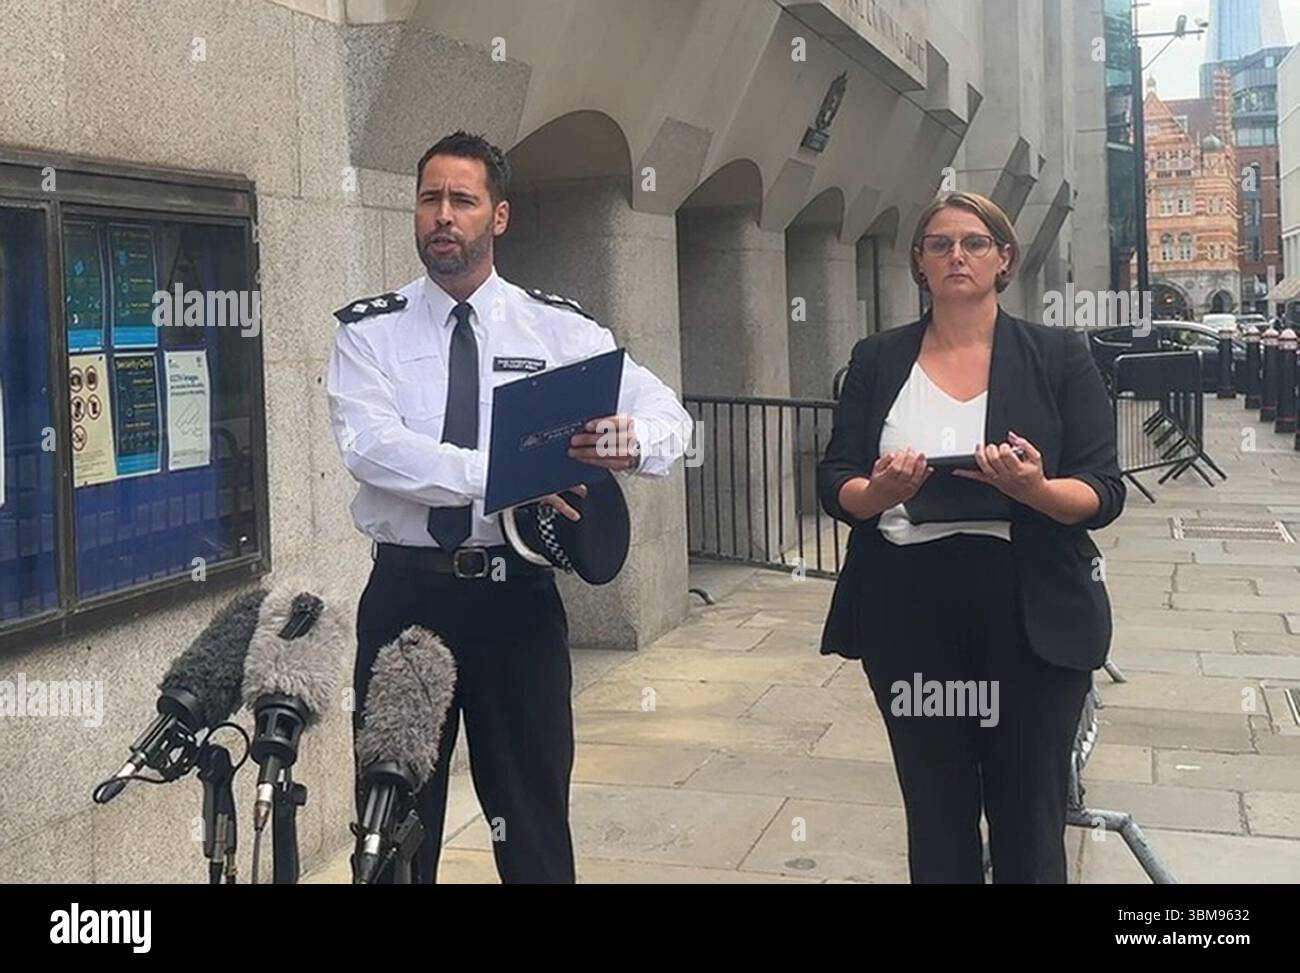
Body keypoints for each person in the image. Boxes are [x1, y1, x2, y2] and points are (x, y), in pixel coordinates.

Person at [326, 131, 692, 883]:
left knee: (530, 825)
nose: (443, 215)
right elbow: (370, 447)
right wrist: (497, 472)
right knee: (392, 829)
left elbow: (669, 417)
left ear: (498, 216)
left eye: (462, 199)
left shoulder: (555, 328)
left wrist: (632, 437)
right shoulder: (372, 330)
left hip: (516, 603)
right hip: (407, 599)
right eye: (430, 198)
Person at [816, 191, 1125, 883]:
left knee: (1029, 819)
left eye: (975, 242)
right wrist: (878, 493)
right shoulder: (877, 357)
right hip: (909, 609)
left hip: (1027, 609)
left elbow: (1103, 490)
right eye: (939, 243)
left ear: (1004, 258)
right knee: (936, 812)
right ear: (919, 265)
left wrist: (1036, 491)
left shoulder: (1058, 355)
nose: (957, 254)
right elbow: (834, 476)